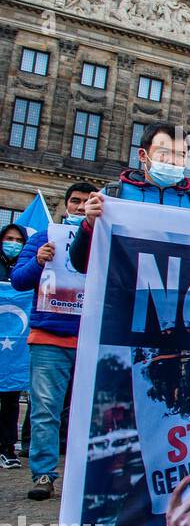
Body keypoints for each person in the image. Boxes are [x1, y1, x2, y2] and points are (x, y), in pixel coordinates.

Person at [9, 183, 97, 499]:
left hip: (93, 340)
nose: (81, 206)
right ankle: (44, 476)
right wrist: (38, 262)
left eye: (88, 202)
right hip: (49, 336)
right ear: (65, 206)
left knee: (91, 414)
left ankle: (86, 476)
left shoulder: (105, 242)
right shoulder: (43, 238)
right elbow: (19, 279)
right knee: (46, 410)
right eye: (75, 201)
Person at [71, 122, 190, 272]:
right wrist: (89, 225)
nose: (173, 160)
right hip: (122, 294)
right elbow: (81, 266)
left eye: (181, 154)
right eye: (164, 152)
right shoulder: (111, 197)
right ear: (142, 155)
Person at [0, 223, 28, 468]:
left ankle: (7, 447)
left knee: (10, 397)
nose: (13, 244)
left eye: (19, 240)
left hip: (13, 349)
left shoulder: (26, 268)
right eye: (9, 238)